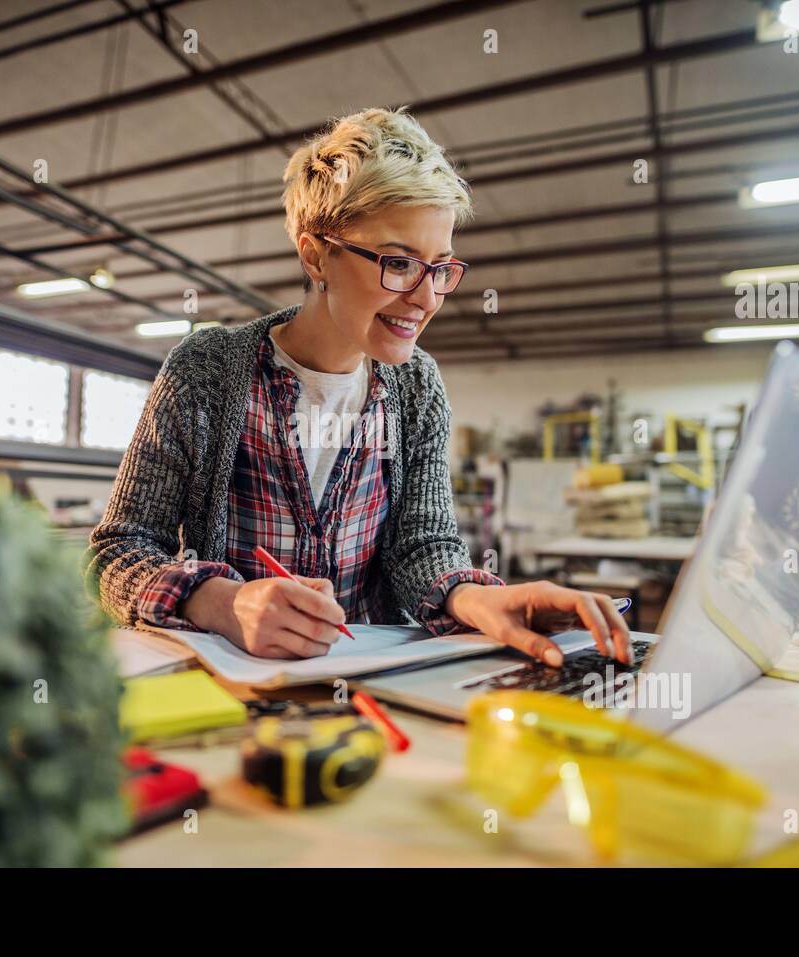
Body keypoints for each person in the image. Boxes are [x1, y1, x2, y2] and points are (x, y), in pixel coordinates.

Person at [88, 106, 630, 666]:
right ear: (315, 253)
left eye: (440, 267)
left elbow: (423, 545)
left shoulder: (418, 387)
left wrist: (480, 601)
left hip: (370, 694)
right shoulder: (206, 371)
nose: (425, 298)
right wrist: (221, 602)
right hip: (232, 697)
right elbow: (115, 553)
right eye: (398, 263)